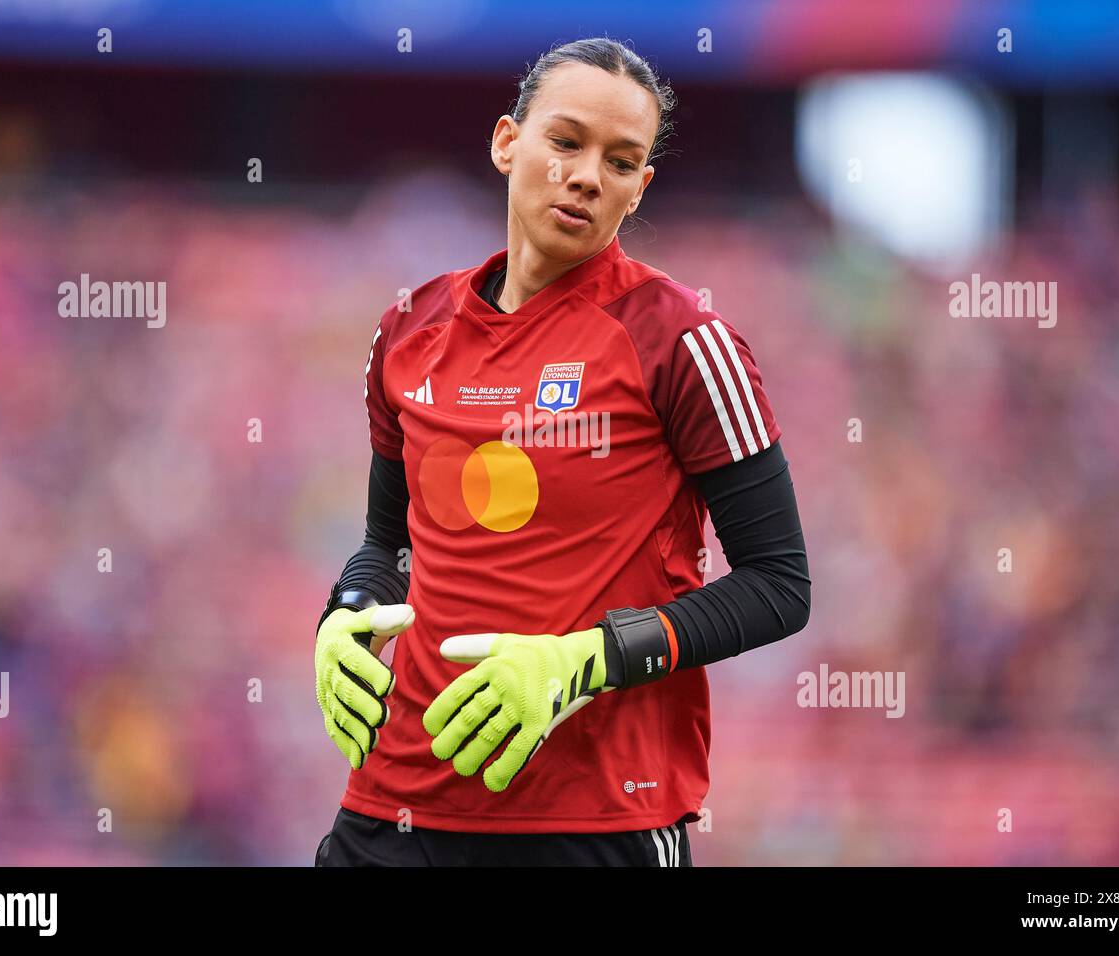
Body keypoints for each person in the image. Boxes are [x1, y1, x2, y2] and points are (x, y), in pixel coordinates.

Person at [314, 37, 811, 867]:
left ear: (639, 188)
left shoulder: (682, 340)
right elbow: (387, 544)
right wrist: (343, 615)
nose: (588, 175)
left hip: (595, 828)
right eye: (566, 141)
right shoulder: (410, 328)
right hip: (393, 810)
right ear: (508, 141)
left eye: (621, 161)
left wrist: (584, 659)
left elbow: (779, 586)